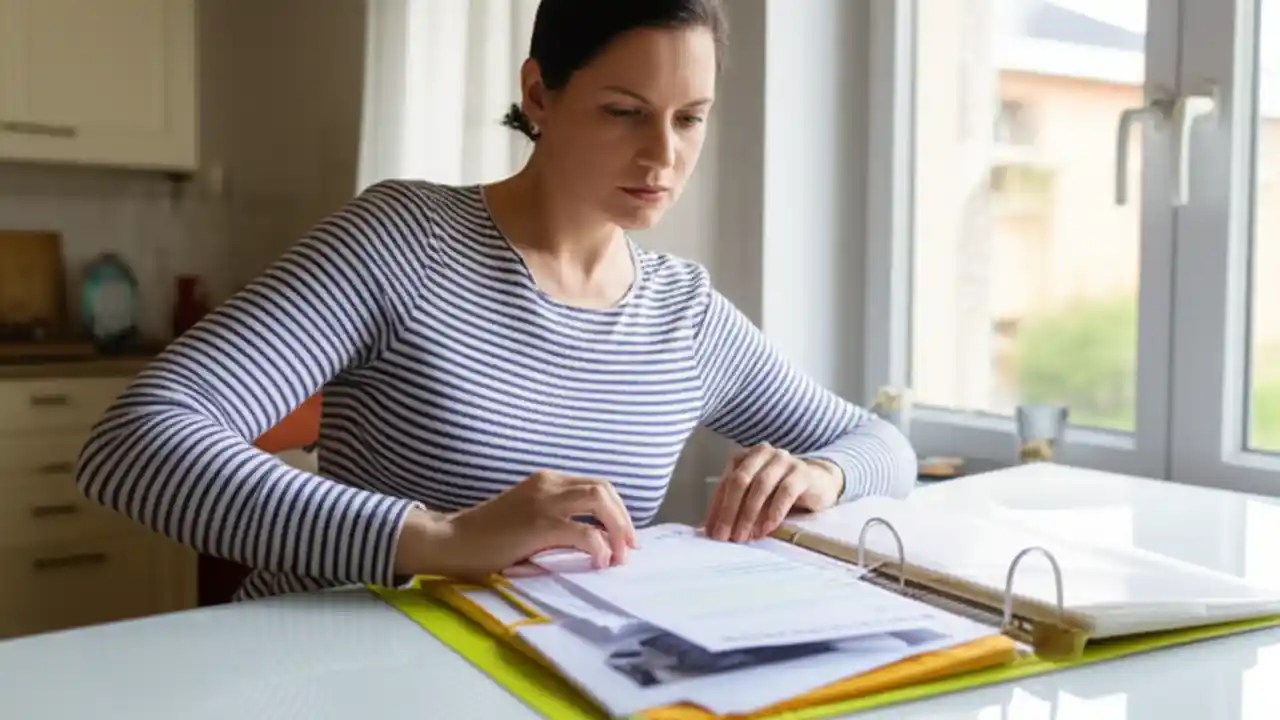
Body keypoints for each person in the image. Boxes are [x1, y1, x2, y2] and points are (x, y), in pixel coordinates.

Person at [75, 0, 916, 601]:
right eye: (625, 112)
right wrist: (440, 541)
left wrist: (823, 472)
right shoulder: (404, 240)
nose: (663, 155)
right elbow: (132, 445)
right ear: (541, 93)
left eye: (690, 118)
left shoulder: (684, 316)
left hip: (544, 680)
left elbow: (885, 444)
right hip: (324, 670)